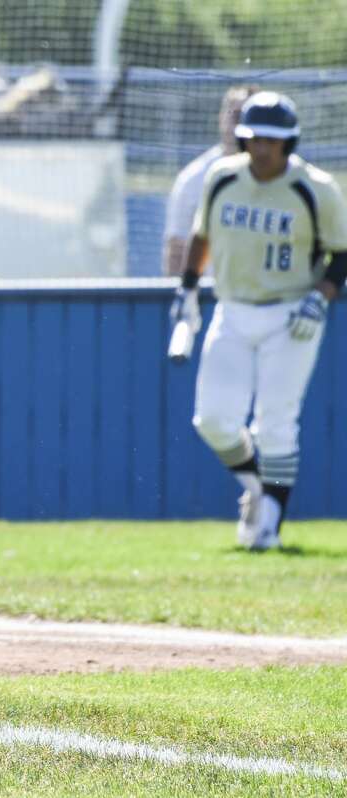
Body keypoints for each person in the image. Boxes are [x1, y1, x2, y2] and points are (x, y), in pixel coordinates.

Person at [170, 91, 347, 550]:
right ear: (243, 139)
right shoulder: (222, 177)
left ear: (289, 143)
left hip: (291, 314)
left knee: (276, 422)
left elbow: (341, 254)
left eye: (272, 140)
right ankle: (256, 488)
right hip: (232, 308)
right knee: (212, 419)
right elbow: (201, 234)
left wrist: (320, 298)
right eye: (255, 138)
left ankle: (269, 521)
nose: (263, 149)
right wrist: (189, 287)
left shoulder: (316, 188)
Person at [161, 85, 258, 276]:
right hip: (208, 295)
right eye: (234, 116)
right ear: (221, 118)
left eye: (247, 118)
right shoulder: (194, 178)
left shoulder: (282, 178)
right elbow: (177, 247)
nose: (237, 126)